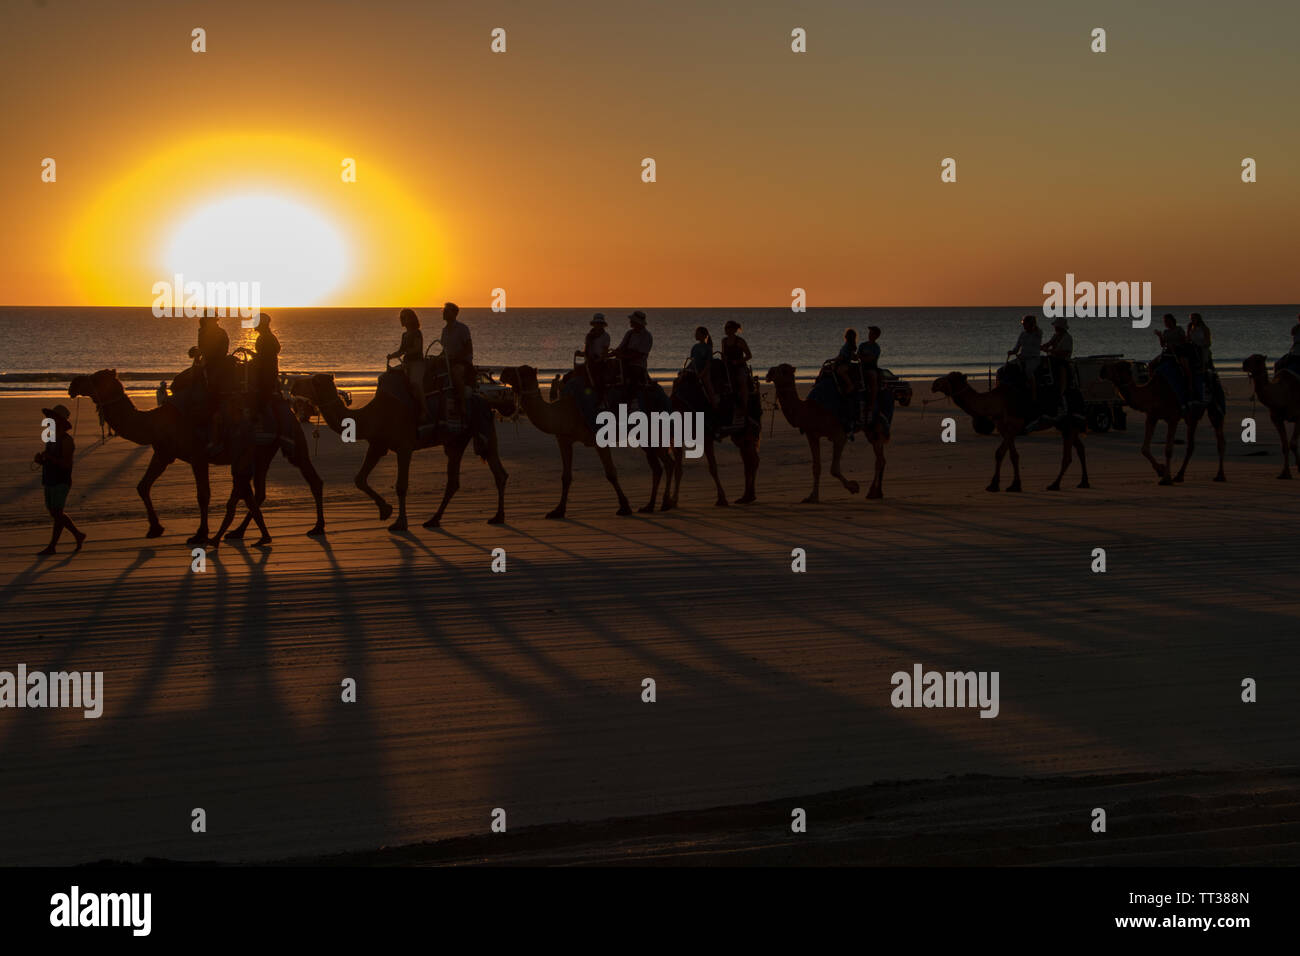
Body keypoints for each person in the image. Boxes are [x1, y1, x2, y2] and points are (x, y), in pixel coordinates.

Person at [34, 404, 85, 556]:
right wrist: (41, 460)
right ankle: (76, 535)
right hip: (49, 478)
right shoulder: (51, 438)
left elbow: (66, 464)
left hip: (61, 480)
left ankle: (53, 545)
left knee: (57, 513)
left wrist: (49, 458)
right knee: (55, 512)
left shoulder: (67, 441)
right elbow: (50, 460)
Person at [387, 308, 426, 420]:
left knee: (416, 383)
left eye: (403, 317)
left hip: (417, 363)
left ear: (410, 319)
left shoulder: (417, 333)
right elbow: (400, 351)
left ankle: (424, 410)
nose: (401, 320)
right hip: (407, 363)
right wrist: (391, 356)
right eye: (401, 317)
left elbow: (417, 349)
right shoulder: (404, 335)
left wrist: (405, 352)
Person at [438, 302, 474, 425]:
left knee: (456, 374)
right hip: (449, 361)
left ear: (454, 313)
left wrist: (456, 357)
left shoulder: (462, 328)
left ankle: (462, 405)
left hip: (462, 362)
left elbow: (468, 348)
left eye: (446, 311)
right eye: (443, 311)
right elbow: (444, 350)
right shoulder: (444, 331)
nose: (443, 313)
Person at [1154, 313, 1191, 409]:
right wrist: (1160, 336)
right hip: (1167, 353)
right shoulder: (1165, 331)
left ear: (1172, 321)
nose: (1166, 323)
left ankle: (1189, 385)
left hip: (1178, 352)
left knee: (1184, 370)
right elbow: (1163, 345)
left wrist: (1175, 345)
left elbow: (1184, 341)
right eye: (1165, 321)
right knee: (1152, 365)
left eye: (1167, 321)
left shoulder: (1179, 329)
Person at [721, 319, 752, 425]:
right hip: (727, 367)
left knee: (742, 381)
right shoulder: (724, 341)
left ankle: (744, 406)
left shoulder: (740, 341)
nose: (726, 330)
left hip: (739, 367)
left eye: (728, 328)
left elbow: (749, 355)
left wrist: (737, 362)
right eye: (726, 328)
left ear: (734, 329)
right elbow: (723, 355)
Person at [1007, 314, 1042, 404]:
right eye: (1023, 324)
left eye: (1025, 324)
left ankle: (1034, 395)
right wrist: (1012, 352)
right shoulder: (1023, 334)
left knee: (1029, 370)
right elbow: (1017, 348)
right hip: (1022, 358)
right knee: (1008, 368)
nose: (1024, 326)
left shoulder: (1037, 333)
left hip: (1033, 358)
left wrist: (1033, 324)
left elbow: (1038, 330)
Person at [1042, 316, 1073, 412]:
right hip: (1053, 359)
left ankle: (1061, 395)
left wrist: (1051, 351)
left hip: (1063, 361)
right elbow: (1048, 343)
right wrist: (1040, 347)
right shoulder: (1056, 335)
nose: (1054, 328)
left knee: (1059, 377)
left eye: (1056, 326)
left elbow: (1065, 353)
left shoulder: (1067, 338)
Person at [614, 311, 653, 385]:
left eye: (632, 320)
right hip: (624, 363)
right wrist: (607, 354)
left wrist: (623, 356)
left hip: (638, 365)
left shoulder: (646, 336)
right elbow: (620, 348)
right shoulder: (629, 333)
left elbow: (640, 354)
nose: (630, 322)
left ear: (637, 322)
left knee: (632, 379)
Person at [250, 312, 281, 404]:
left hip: (265, 375)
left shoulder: (264, 338)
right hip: (270, 373)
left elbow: (263, 357)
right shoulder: (270, 337)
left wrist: (249, 353)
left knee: (263, 402)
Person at [689, 326, 717, 408]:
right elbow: (692, 361)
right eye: (695, 333)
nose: (695, 335)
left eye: (697, 333)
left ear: (704, 335)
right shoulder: (694, 347)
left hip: (705, 371)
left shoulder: (708, 348)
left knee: (707, 385)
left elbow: (708, 363)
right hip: (695, 370)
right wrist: (686, 370)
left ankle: (714, 405)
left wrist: (702, 374)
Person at [858, 326, 883, 422]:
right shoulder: (862, 345)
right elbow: (857, 356)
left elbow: (870, 359)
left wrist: (862, 357)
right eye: (869, 333)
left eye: (872, 333)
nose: (870, 335)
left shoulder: (876, 347)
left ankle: (871, 407)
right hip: (860, 367)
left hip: (871, 368)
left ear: (877, 336)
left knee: (872, 377)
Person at [1186, 313, 1212, 402]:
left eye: (1194, 318)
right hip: (1192, 349)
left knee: (1203, 362)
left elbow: (1208, 343)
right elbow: (1188, 339)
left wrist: (1200, 345)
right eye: (1191, 319)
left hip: (1202, 348)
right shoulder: (1190, 327)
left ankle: (1206, 384)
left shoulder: (1205, 329)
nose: (1192, 320)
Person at [584, 313, 611, 391]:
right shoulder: (589, 336)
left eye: (600, 323)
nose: (598, 325)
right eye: (597, 323)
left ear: (603, 325)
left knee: (599, 379)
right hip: (590, 360)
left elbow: (605, 351)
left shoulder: (606, 336)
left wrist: (599, 359)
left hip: (600, 360)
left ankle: (600, 395)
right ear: (594, 324)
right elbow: (586, 349)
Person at [835, 328, 859, 395]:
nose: (846, 336)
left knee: (840, 371)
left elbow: (850, 357)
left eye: (847, 335)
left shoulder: (850, 346)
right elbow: (840, 355)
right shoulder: (846, 345)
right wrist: (834, 359)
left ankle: (850, 385)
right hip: (841, 362)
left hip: (846, 364)